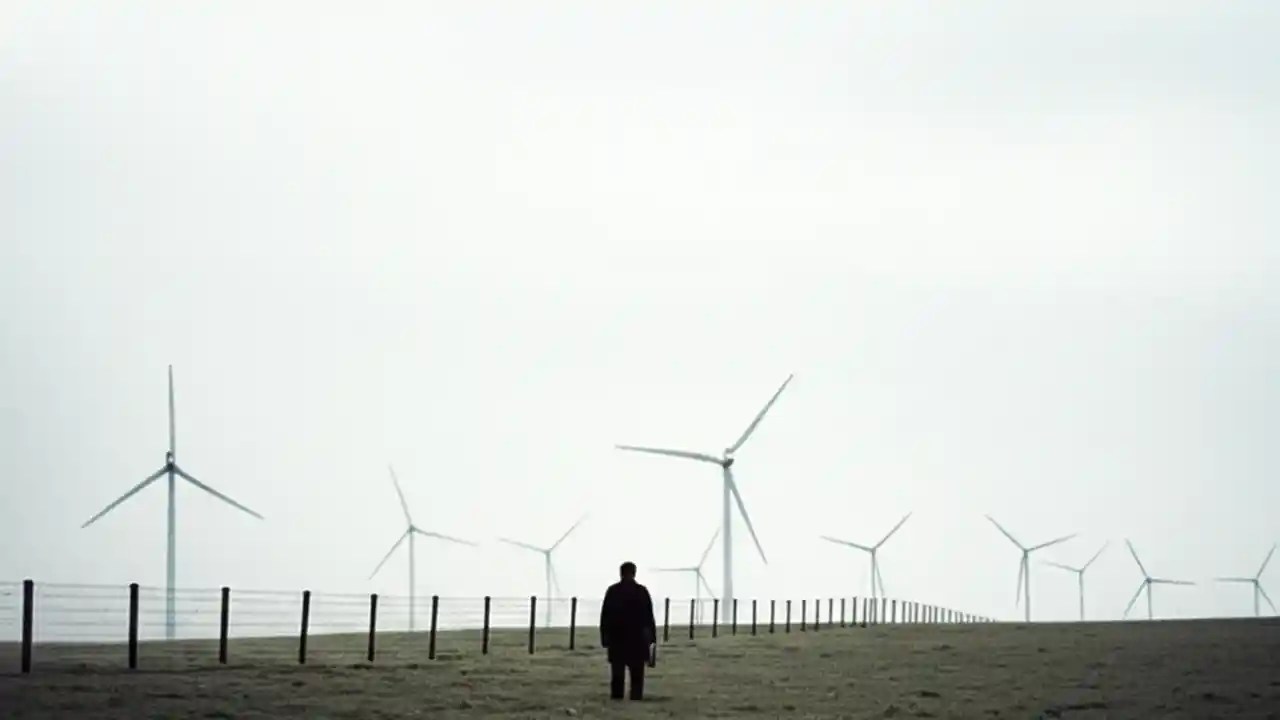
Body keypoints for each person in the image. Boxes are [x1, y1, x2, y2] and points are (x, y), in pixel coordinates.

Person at [599, 561, 657, 701]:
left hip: (617, 638)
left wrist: (605, 638)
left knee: (617, 674)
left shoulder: (613, 591)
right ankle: (636, 697)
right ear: (634, 573)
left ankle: (617, 697)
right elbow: (649, 617)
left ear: (621, 573)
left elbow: (605, 616)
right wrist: (652, 639)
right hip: (637, 639)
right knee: (637, 674)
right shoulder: (642, 591)